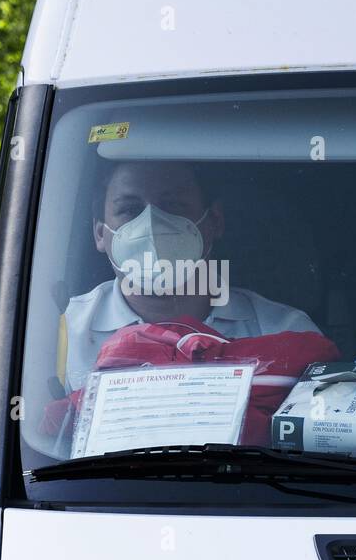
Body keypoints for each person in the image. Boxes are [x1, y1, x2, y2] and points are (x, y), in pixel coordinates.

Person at [60, 160, 322, 391]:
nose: (151, 224)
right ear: (100, 234)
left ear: (214, 221)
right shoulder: (63, 333)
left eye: (171, 205)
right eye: (130, 209)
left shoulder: (285, 332)